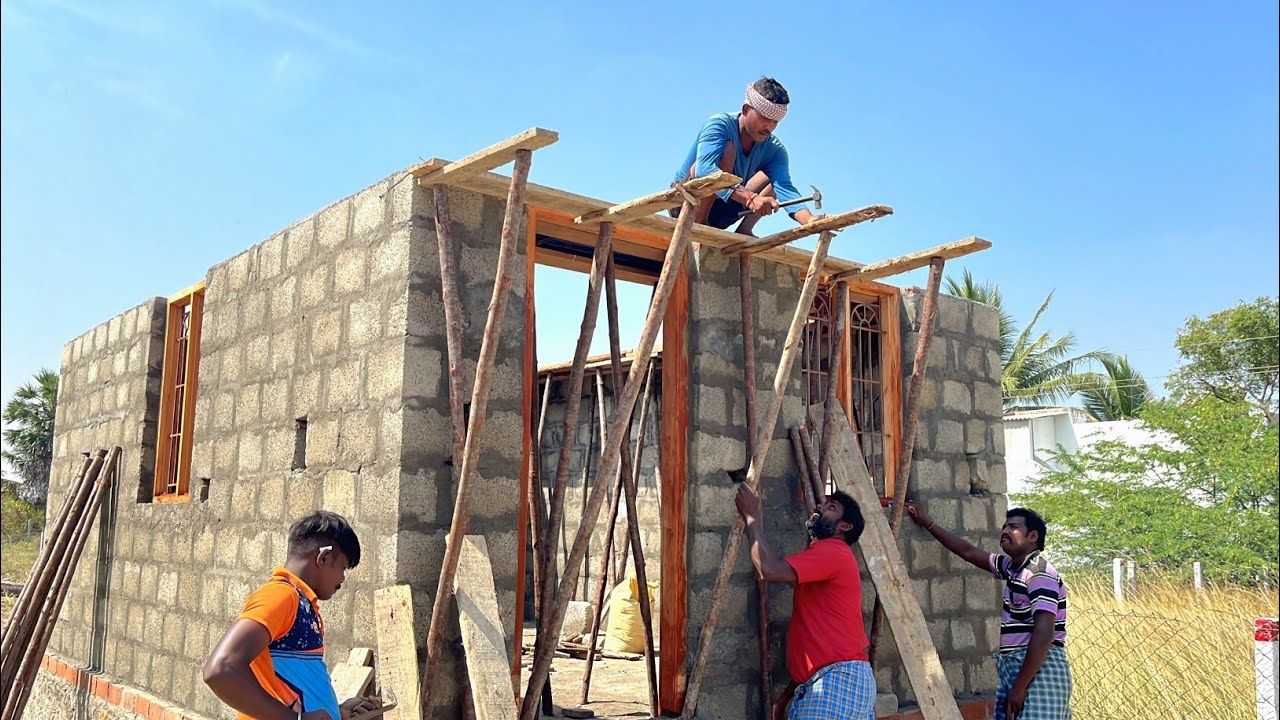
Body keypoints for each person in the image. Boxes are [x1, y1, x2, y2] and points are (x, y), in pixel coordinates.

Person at [204, 511, 381, 720]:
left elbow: (290, 690)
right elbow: (221, 669)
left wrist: (338, 712)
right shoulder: (281, 596)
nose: (342, 579)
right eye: (342, 567)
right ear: (323, 558)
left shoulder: (304, 606)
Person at [906, 504, 1072, 720]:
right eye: (1004, 527)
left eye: (1013, 527)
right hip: (1019, 669)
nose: (1004, 531)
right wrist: (928, 524)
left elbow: (1044, 633)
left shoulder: (1039, 573)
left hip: (1040, 671)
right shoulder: (1014, 569)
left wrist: (1020, 687)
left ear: (1032, 536)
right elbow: (969, 552)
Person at [735, 484, 876, 720]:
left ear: (845, 526)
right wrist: (787, 697)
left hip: (836, 683)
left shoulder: (834, 552)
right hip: (837, 681)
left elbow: (768, 570)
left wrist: (752, 517)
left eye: (831, 507)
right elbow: (817, 645)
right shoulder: (825, 557)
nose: (820, 508)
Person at [673, 77, 824, 236]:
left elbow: (785, 188)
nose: (769, 127)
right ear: (746, 109)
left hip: (722, 213)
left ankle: (745, 230)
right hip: (685, 203)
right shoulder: (719, 125)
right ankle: (699, 224)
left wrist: (809, 220)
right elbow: (703, 170)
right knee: (726, 151)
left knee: (776, 180)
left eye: (775, 122)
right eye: (765, 119)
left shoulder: (774, 150)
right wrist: (751, 198)